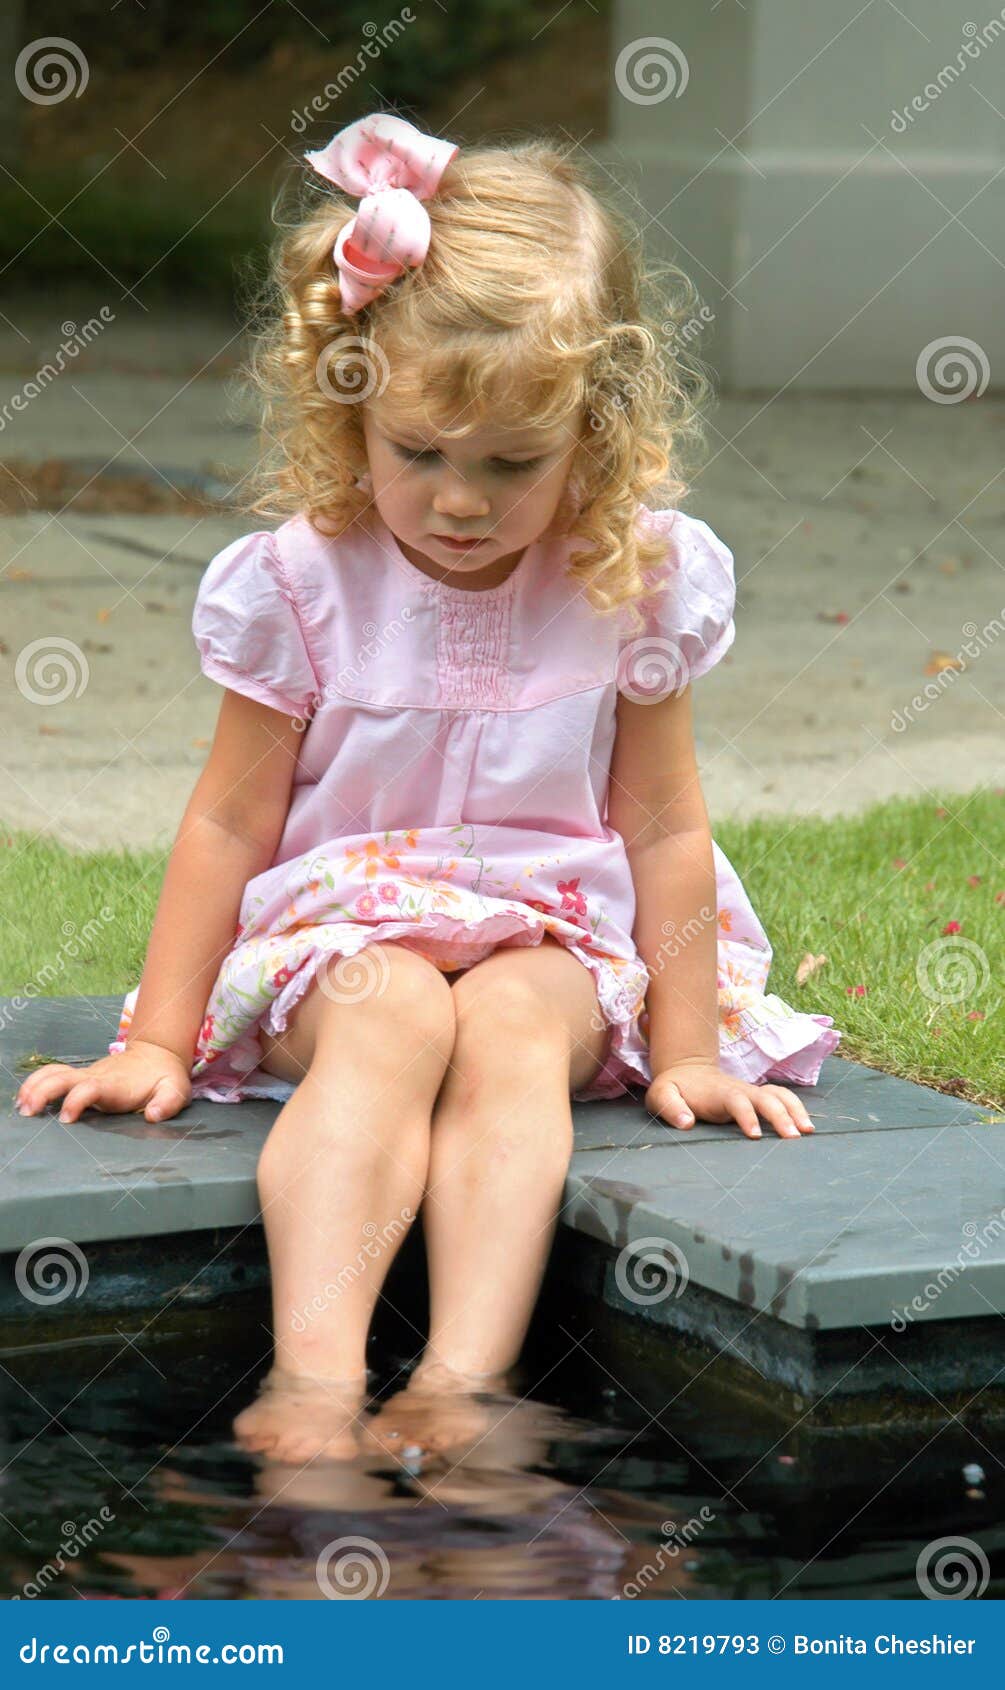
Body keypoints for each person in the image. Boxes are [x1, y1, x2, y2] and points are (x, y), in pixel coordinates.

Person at [14, 112, 841, 1466]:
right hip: (342, 929)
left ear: (594, 431)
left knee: (509, 1021)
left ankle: (463, 1384)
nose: (460, 500)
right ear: (353, 407)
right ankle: (315, 1386)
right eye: (420, 452)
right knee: (387, 1009)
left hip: (553, 934)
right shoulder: (306, 581)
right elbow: (229, 816)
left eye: (512, 463)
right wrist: (157, 1039)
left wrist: (688, 1049)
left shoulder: (631, 579)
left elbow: (662, 822)